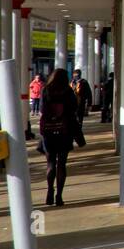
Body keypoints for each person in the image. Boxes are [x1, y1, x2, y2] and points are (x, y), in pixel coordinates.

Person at [38, 67, 82, 207]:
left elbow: (41, 109)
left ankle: (50, 191)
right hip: (65, 131)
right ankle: (59, 196)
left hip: (48, 131)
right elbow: (74, 108)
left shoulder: (46, 90)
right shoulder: (68, 91)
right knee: (61, 164)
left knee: (50, 162)